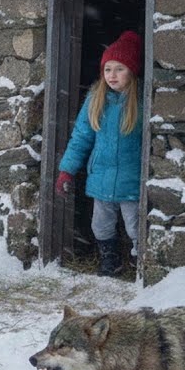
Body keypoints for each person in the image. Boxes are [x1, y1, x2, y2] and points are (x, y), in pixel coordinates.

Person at [55, 30, 144, 277]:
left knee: (135, 226)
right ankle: (110, 259)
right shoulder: (96, 99)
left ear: (132, 71)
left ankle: (140, 261)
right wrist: (66, 170)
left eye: (120, 69)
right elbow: (81, 137)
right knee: (100, 225)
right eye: (107, 69)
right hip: (101, 176)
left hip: (131, 177)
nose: (112, 75)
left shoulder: (142, 100)